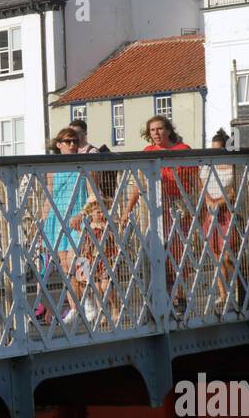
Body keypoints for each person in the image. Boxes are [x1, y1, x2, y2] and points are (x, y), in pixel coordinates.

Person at [122, 116, 197, 314]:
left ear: (168, 130)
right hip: (154, 207)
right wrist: (128, 208)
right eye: (152, 130)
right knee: (155, 252)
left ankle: (180, 297)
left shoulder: (182, 150)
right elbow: (140, 183)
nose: (156, 133)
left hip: (177, 205)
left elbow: (193, 180)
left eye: (159, 129)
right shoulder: (148, 152)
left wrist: (197, 206)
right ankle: (162, 297)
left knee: (177, 252)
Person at [41, 126, 92, 324]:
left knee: (79, 262)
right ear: (59, 145)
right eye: (68, 142)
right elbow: (49, 196)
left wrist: (82, 213)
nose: (72, 145)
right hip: (57, 219)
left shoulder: (84, 164)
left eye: (75, 142)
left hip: (77, 218)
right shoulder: (52, 168)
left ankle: (88, 301)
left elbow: (92, 193)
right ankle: (74, 307)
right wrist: (43, 223)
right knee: (65, 267)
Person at [203, 129, 237, 314]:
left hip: (227, 212)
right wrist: (209, 201)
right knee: (216, 256)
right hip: (211, 213)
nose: (214, 152)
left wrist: (220, 202)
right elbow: (202, 185)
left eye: (218, 149)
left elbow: (234, 190)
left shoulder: (233, 166)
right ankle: (223, 293)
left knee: (226, 255)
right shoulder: (208, 166)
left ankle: (236, 288)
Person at [71, 196, 118, 327]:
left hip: (105, 257)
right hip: (91, 258)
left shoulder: (107, 224)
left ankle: (114, 307)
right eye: (98, 212)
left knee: (105, 285)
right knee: (96, 287)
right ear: (91, 212)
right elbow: (83, 240)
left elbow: (114, 236)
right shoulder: (88, 225)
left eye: (102, 211)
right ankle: (102, 312)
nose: (101, 214)